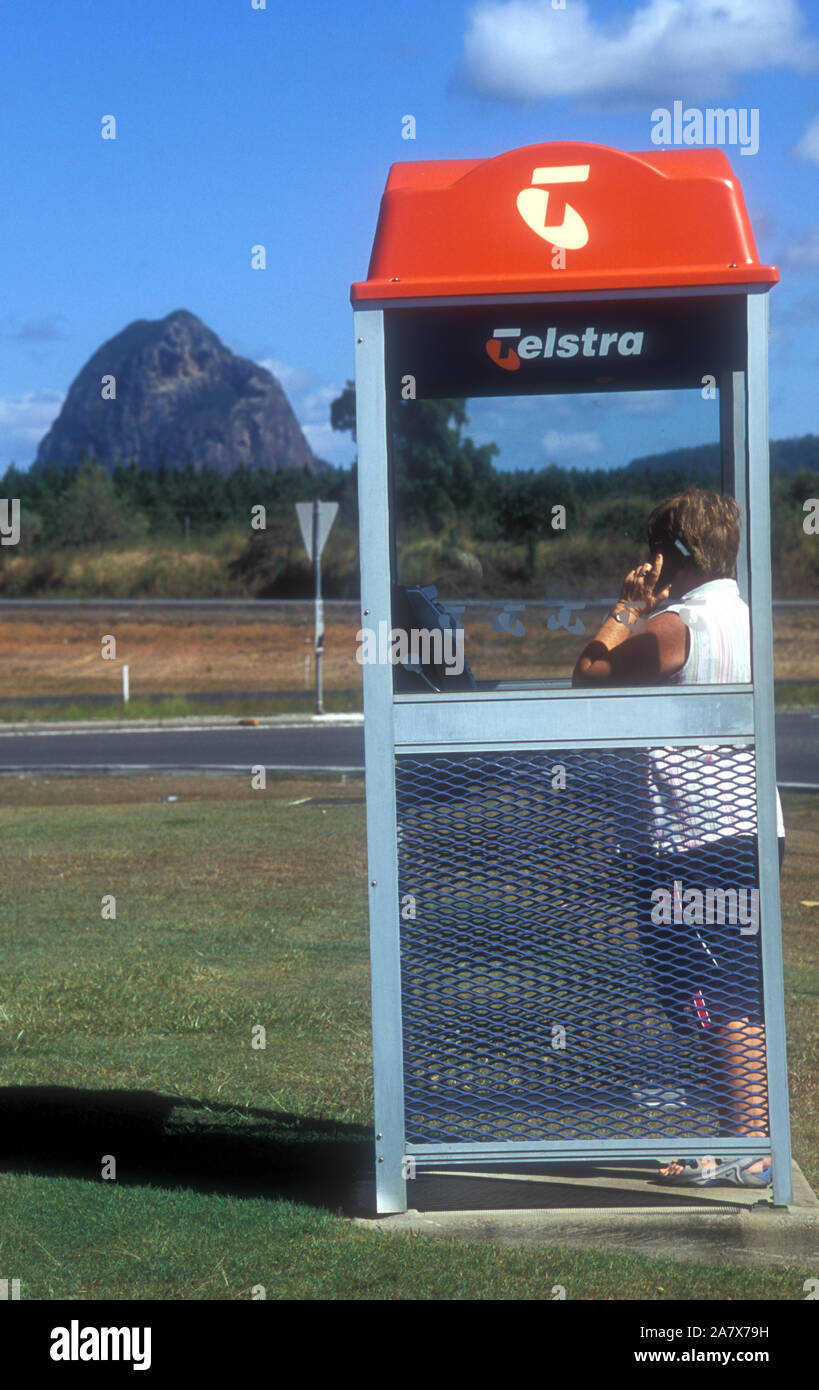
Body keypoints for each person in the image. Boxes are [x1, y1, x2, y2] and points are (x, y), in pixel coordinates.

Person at [572, 488, 784, 1187]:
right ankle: (728, 1134)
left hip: (692, 839)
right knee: (709, 988)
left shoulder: (678, 624)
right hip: (738, 832)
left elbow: (589, 676)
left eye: (656, 549)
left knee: (714, 994)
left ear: (676, 554)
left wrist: (625, 608)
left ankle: (747, 1142)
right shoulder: (740, 616)